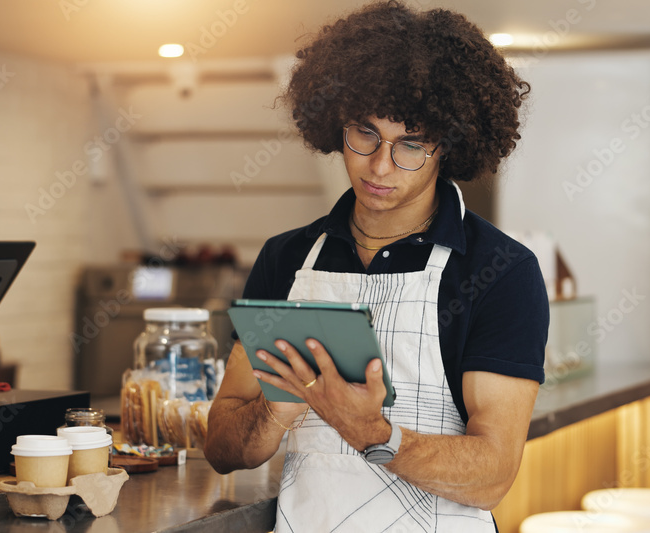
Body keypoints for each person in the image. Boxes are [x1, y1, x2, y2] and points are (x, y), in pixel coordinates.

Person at [204, 1, 548, 531]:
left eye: (411, 143)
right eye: (364, 133)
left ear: (447, 148)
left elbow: (493, 475)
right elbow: (223, 447)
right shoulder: (287, 258)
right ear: (334, 122)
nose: (380, 165)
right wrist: (276, 410)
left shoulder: (500, 270)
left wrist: (373, 432)